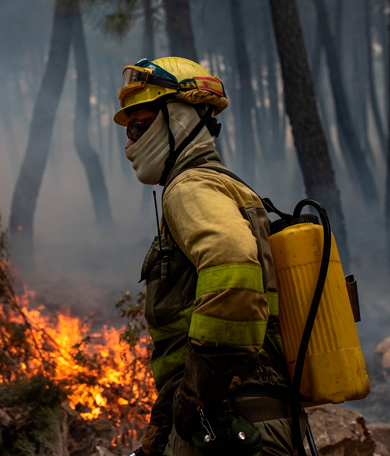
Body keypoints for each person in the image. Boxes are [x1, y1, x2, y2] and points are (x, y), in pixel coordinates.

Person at [115, 57, 300, 456]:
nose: (129, 143)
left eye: (138, 126)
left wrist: (194, 398)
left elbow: (233, 275)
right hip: (244, 424)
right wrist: (167, 420)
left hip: (231, 427)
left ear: (177, 119)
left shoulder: (189, 188)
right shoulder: (224, 187)